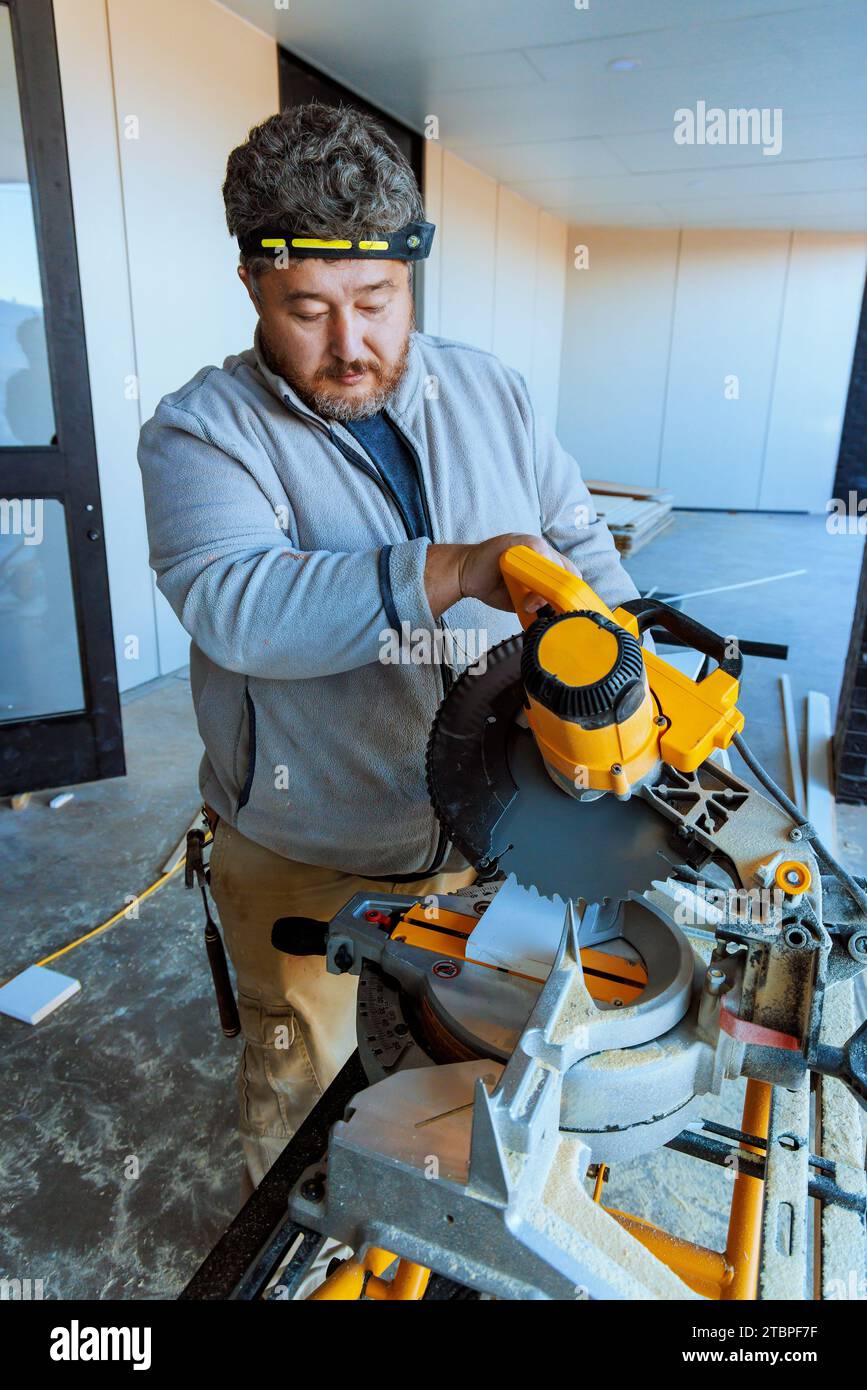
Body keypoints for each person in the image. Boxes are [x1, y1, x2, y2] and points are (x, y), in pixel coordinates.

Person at [137, 100, 640, 1193]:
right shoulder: (199, 431)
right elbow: (238, 601)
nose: (351, 342)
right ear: (252, 287)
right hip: (304, 837)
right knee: (305, 1082)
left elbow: (576, 539)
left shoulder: (492, 391)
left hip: (493, 824)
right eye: (307, 309)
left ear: (413, 275)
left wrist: (621, 659)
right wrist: (450, 567)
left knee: (478, 1053)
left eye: (377, 300)